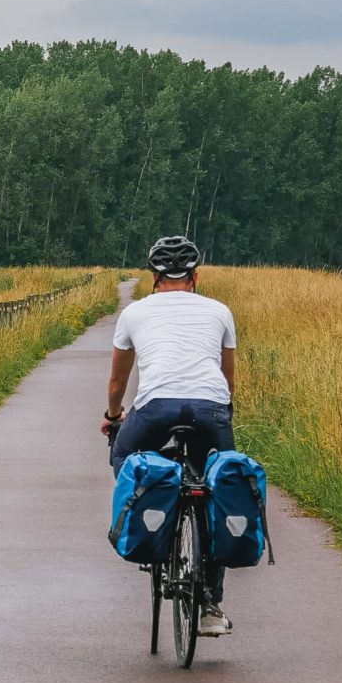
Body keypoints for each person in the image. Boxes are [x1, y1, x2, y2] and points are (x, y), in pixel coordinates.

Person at [103, 234, 240, 637]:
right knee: (215, 487)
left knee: (123, 456)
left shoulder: (135, 313)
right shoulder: (220, 311)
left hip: (155, 408)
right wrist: (220, 414)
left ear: (153, 278)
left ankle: (151, 522)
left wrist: (113, 417)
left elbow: (117, 379)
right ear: (195, 277)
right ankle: (211, 606)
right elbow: (227, 378)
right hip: (210, 408)